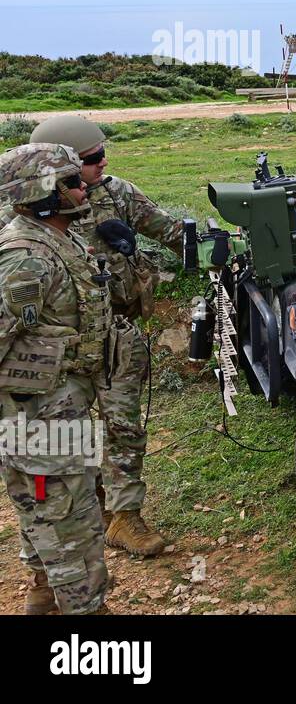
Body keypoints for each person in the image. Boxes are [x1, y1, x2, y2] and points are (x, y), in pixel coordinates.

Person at [22, 115, 184, 556]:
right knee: (65, 434)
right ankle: (88, 509)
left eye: (101, 154)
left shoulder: (117, 193)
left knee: (124, 428)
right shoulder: (20, 218)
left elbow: (171, 233)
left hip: (115, 336)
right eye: (91, 159)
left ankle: (126, 518)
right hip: (60, 349)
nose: (103, 162)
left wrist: (215, 250)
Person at [0, 143, 112, 614]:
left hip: (61, 409)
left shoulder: (57, 238)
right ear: (44, 193)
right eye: (70, 181)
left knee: (49, 512)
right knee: (72, 525)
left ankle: (43, 595)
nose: (83, 185)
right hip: (41, 421)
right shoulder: (25, 261)